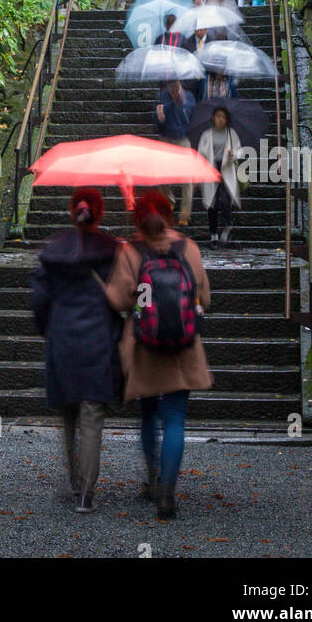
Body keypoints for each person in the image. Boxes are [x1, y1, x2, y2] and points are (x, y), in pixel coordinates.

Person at [103, 191, 212, 520]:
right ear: (169, 214)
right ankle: (168, 491)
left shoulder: (129, 251)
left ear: (139, 219)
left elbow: (120, 301)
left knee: (149, 413)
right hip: (183, 345)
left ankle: (152, 479)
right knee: (176, 417)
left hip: (145, 346)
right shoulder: (189, 248)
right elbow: (203, 297)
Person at [29, 187, 122, 513]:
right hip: (97, 339)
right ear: (100, 213)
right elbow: (122, 297)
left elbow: (39, 299)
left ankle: (73, 480)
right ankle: (86, 493)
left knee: (68, 415)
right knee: (92, 416)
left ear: (72, 212)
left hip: (63, 339)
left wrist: (48, 329)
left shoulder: (54, 249)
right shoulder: (111, 250)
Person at [196, 106, 242, 246]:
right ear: (213, 118)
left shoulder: (231, 133)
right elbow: (200, 154)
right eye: (218, 116)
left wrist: (232, 154)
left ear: (226, 119)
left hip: (226, 169)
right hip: (211, 169)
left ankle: (228, 224)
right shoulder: (206, 134)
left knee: (224, 200)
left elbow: (240, 151)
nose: (220, 119)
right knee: (212, 204)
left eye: (223, 117)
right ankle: (214, 236)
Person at [154, 79, 196, 225]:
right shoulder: (162, 96)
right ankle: (169, 202)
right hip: (166, 138)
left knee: (187, 178)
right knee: (162, 174)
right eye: (170, 87)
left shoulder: (188, 97)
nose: (173, 89)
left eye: (176, 86)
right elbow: (157, 122)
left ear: (180, 84)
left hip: (183, 138)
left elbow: (191, 117)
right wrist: (159, 118)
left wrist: (179, 103)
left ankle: (185, 214)